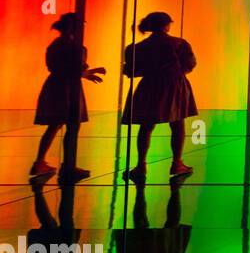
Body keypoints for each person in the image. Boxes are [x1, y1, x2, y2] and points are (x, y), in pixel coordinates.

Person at [122, 11, 198, 182]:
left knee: (146, 126)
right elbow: (190, 64)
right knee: (177, 124)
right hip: (174, 85)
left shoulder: (139, 47)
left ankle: (141, 164)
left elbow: (133, 70)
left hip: (150, 85)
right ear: (166, 25)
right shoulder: (179, 43)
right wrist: (175, 73)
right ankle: (177, 162)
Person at [32, 12, 105, 182]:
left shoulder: (56, 45)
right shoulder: (74, 47)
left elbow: (60, 68)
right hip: (67, 89)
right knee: (71, 126)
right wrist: (88, 73)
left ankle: (40, 161)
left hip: (57, 86)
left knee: (54, 125)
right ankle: (67, 165)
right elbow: (73, 69)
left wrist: (87, 73)